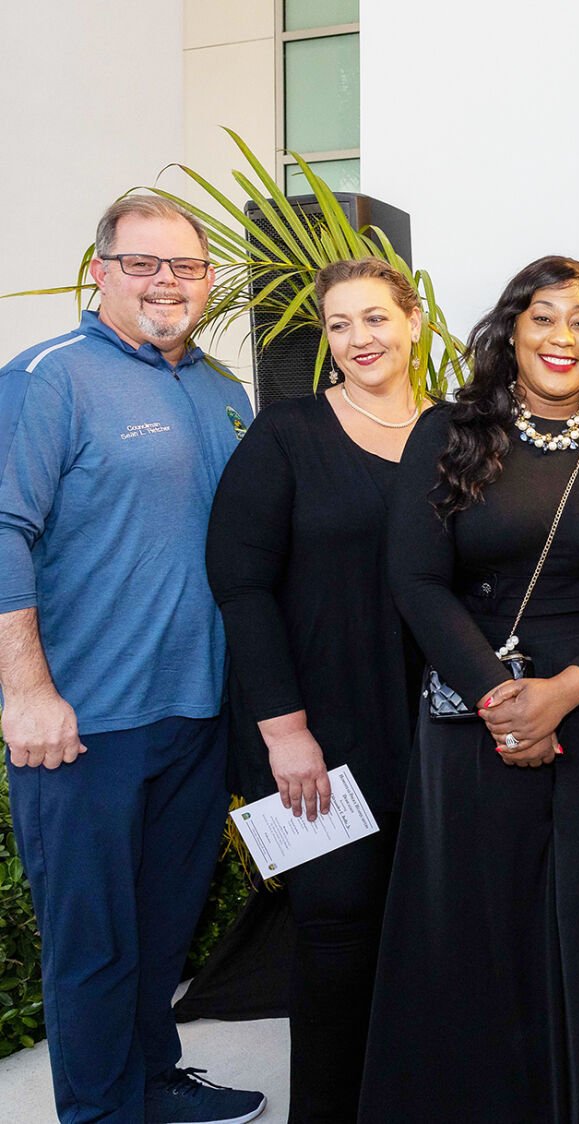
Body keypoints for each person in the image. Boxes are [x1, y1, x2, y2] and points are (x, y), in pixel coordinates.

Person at [359, 256, 579, 1122]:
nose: (563, 337)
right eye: (545, 318)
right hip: (475, 706)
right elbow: (415, 580)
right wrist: (504, 699)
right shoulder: (450, 433)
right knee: (478, 923)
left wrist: (563, 693)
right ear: (512, 330)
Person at [0, 195, 267, 1124]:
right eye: (142, 262)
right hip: (83, 725)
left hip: (194, 714)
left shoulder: (222, 392)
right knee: (93, 944)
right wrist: (27, 692)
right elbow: (3, 530)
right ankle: (101, 1112)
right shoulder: (48, 378)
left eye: (185, 267)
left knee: (161, 929)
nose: (166, 281)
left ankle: (153, 1078)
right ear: (100, 269)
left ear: (206, 280)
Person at [205, 257, 427, 1123]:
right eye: (340, 324)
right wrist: (284, 731)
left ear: (411, 320)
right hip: (313, 737)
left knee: (424, 944)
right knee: (334, 939)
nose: (359, 339)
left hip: (431, 733)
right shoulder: (288, 432)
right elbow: (240, 582)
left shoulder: (454, 432)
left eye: (375, 318)